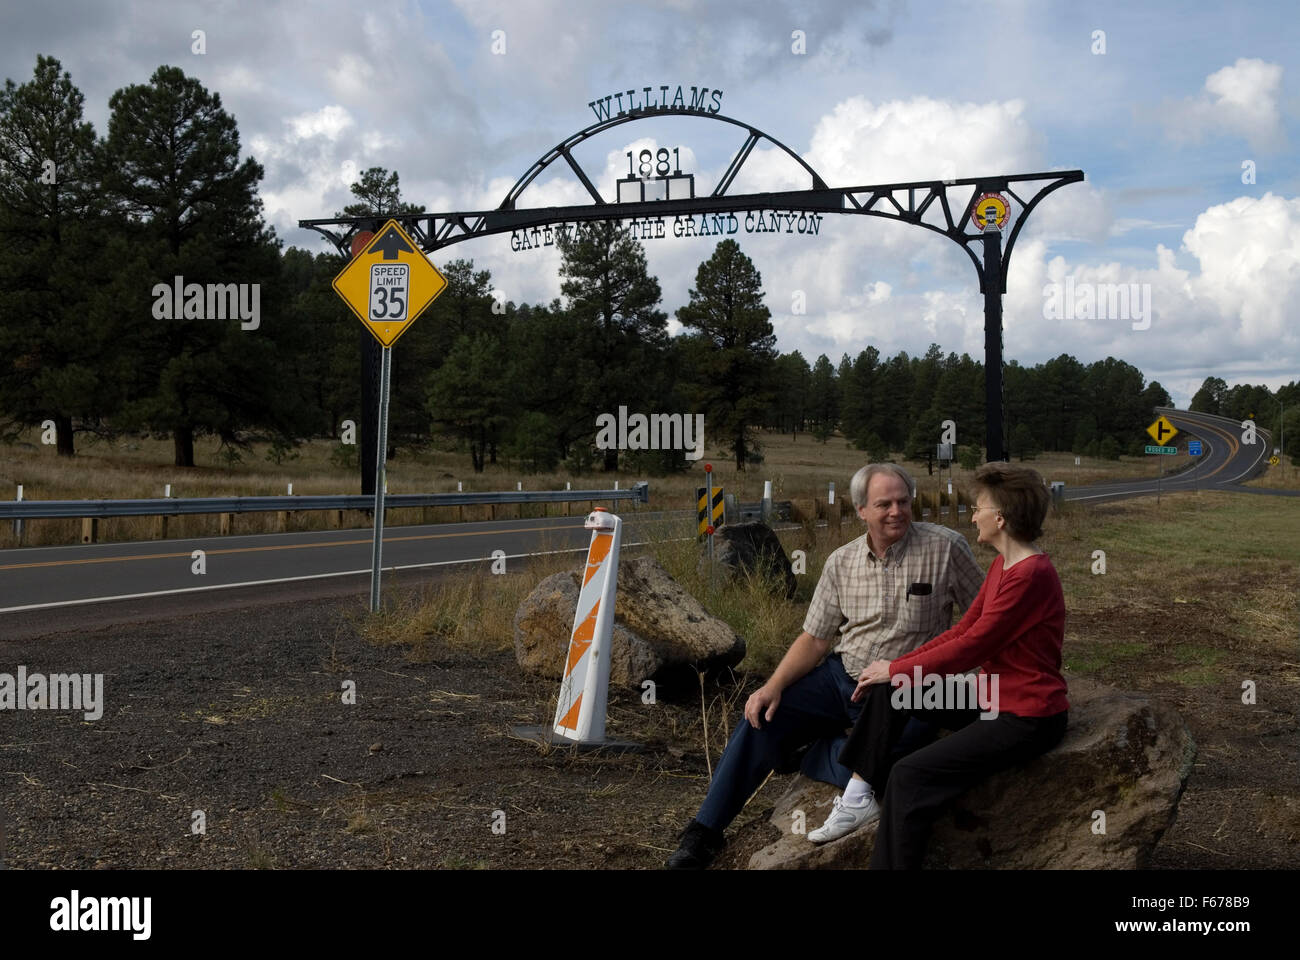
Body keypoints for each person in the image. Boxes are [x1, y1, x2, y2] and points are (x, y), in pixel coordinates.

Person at [665, 463, 984, 869]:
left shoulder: (947, 548)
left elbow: (985, 618)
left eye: (903, 501)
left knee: (893, 765)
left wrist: (978, 680)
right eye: (883, 503)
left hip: (907, 689)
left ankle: (813, 755)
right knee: (761, 718)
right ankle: (703, 834)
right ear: (860, 510)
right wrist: (773, 685)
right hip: (841, 678)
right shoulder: (840, 562)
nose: (896, 511)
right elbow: (816, 639)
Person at [807, 461, 1069, 869]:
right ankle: (858, 797)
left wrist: (897, 669)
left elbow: (974, 646)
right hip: (991, 695)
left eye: (979, 507)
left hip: (1024, 716)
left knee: (908, 777)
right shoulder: (1005, 564)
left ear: (1000, 517)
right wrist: (893, 669)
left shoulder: (1030, 575)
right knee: (890, 691)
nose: (973, 514)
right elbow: (964, 628)